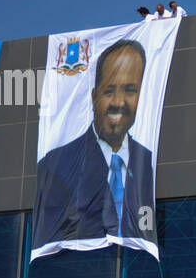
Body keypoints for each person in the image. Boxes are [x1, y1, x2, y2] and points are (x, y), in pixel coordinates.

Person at [31, 39, 157, 254]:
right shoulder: (55, 166)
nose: (118, 102)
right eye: (109, 91)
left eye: (130, 90)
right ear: (94, 97)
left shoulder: (149, 162)